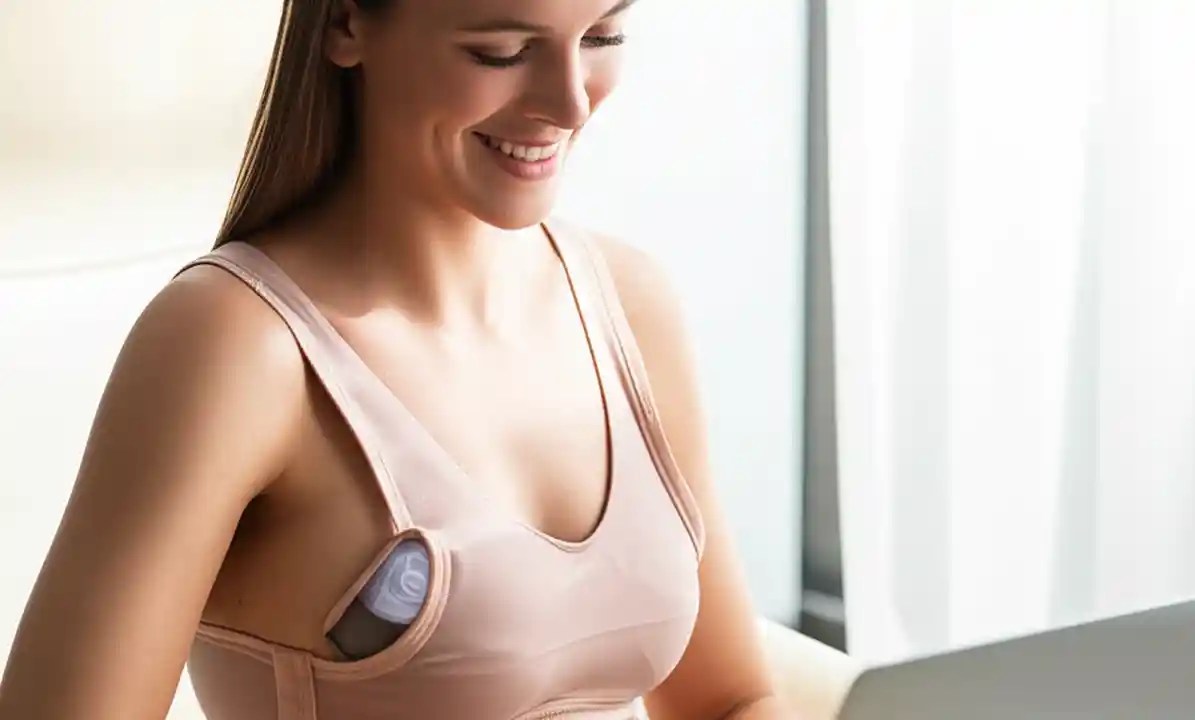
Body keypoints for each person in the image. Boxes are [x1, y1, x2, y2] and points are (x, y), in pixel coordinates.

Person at [0, 1, 789, 718]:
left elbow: (727, 701)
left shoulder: (630, 305)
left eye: (603, 36)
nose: (571, 102)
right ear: (345, 24)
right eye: (501, 50)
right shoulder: (238, 350)